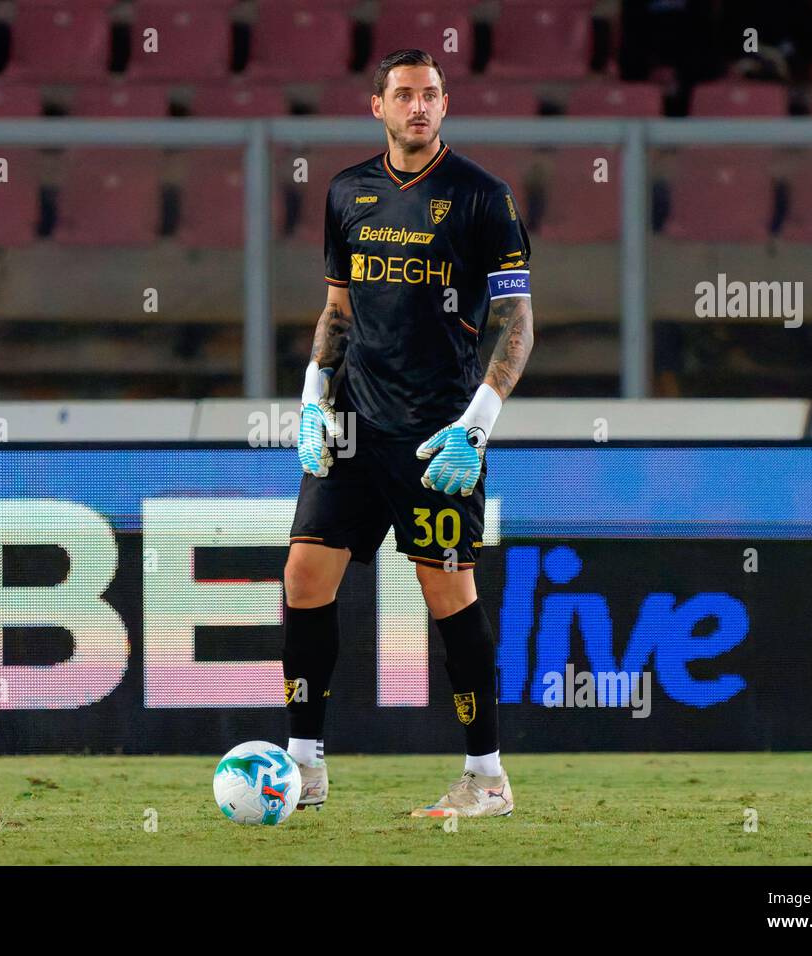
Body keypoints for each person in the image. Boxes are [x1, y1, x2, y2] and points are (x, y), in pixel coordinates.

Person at [282, 48, 535, 818]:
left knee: (446, 592)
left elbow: (516, 323)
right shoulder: (346, 192)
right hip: (355, 422)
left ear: (446, 105)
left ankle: (487, 777)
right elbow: (338, 310)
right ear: (378, 106)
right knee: (302, 576)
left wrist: (479, 426)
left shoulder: (483, 198)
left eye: (430, 95)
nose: (417, 107)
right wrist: (311, 396)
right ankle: (304, 767)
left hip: (437, 434)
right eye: (403, 95)